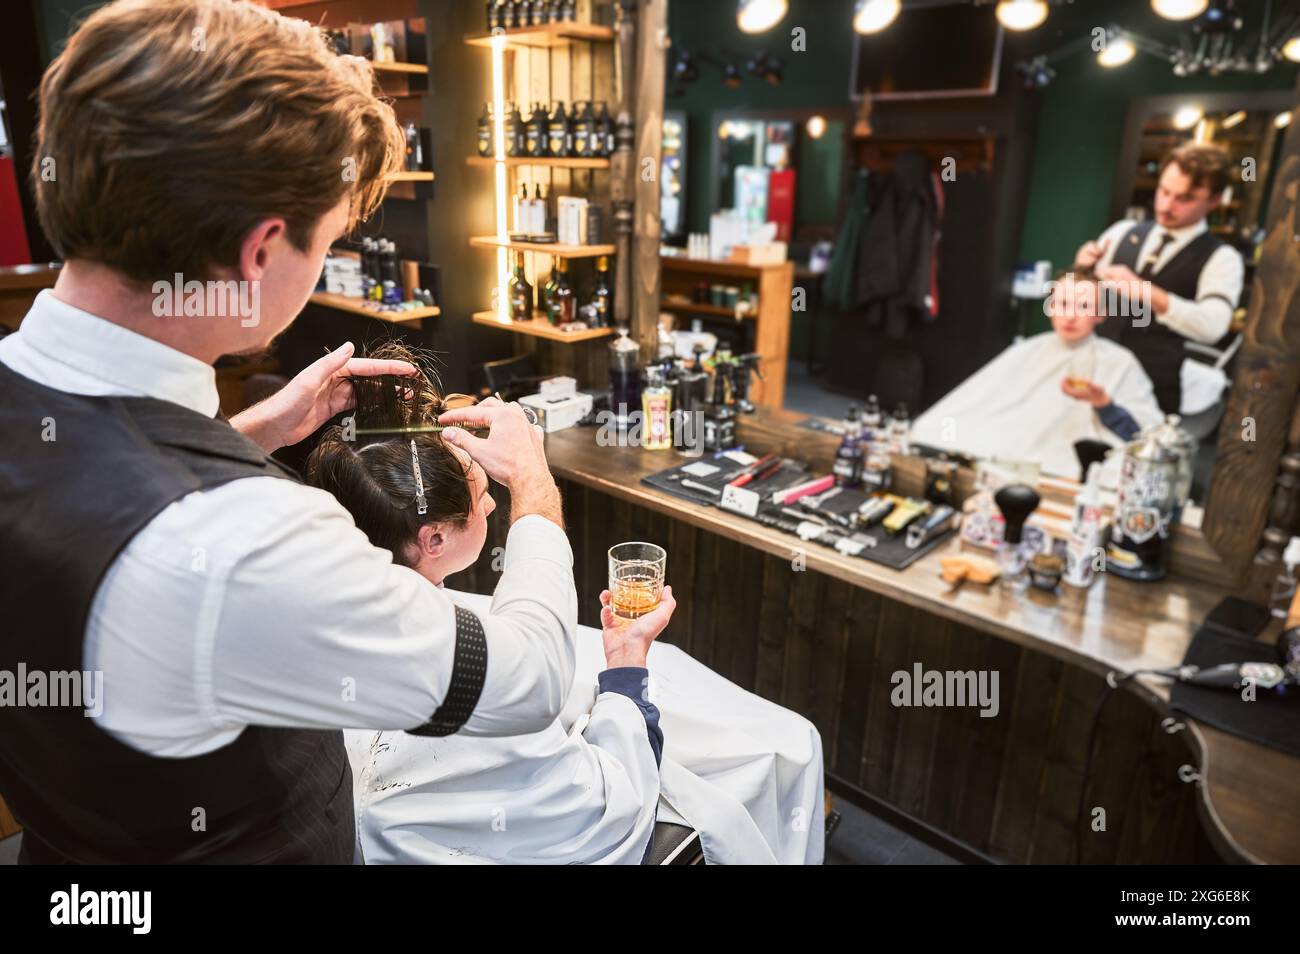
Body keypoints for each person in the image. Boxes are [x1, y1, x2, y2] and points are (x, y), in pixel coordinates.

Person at [0, 0, 577, 864]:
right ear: (260, 251)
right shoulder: (249, 539)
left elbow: (99, 495)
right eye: (330, 240)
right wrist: (534, 493)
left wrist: (250, 432)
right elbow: (528, 681)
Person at [306, 347, 826, 864]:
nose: (491, 504)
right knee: (780, 749)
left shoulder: (322, 611)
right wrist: (625, 668)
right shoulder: (484, 694)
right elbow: (609, 811)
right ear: (434, 540)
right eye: (485, 493)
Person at [910, 272, 1163, 477]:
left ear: (1100, 314)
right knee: (932, 428)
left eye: (1083, 306)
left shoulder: (1120, 362)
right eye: (1063, 304)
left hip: (1068, 455)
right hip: (1013, 440)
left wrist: (1103, 404)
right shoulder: (1029, 350)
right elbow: (981, 400)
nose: (1070, 316)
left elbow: (1142, 438)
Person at [1073, 143, 1244, 416]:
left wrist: (1146, 292)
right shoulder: (1122, 232)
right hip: (1093, 373)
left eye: (1185, 198)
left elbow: (1213, 327)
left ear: (1214, 201)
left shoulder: (1222, 258)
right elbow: (1076, 300)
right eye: (1164, 191)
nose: (1166, 206)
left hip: (1151, 391)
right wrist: (1080, 269)